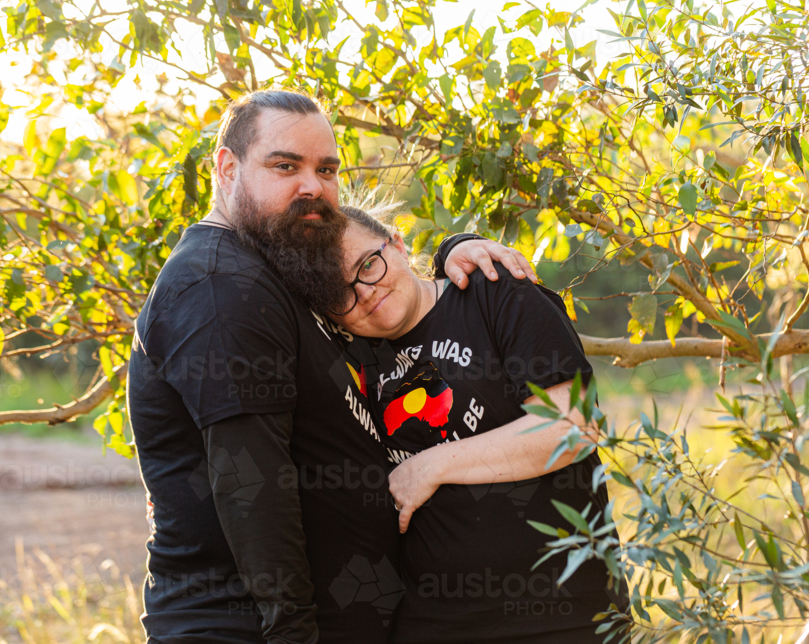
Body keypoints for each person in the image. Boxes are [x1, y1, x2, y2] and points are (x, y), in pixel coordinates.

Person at [126, 89, 536, 643]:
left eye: (326, 168)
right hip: (243, 628)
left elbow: (383, 291)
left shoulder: (277, 275)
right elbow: (252, 487)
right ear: (227, 168)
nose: (312, 185)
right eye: (284, 166)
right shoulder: (221, 286)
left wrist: (449, 258)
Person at [306, 205, 631, 643]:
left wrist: (431, 465)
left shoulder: (494, 292)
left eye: (369, 263)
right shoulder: (352, 360)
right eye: (340, 293)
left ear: (397, 244)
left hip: (564, 616)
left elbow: (571, 429)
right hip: (434, 624)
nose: (364, 292)